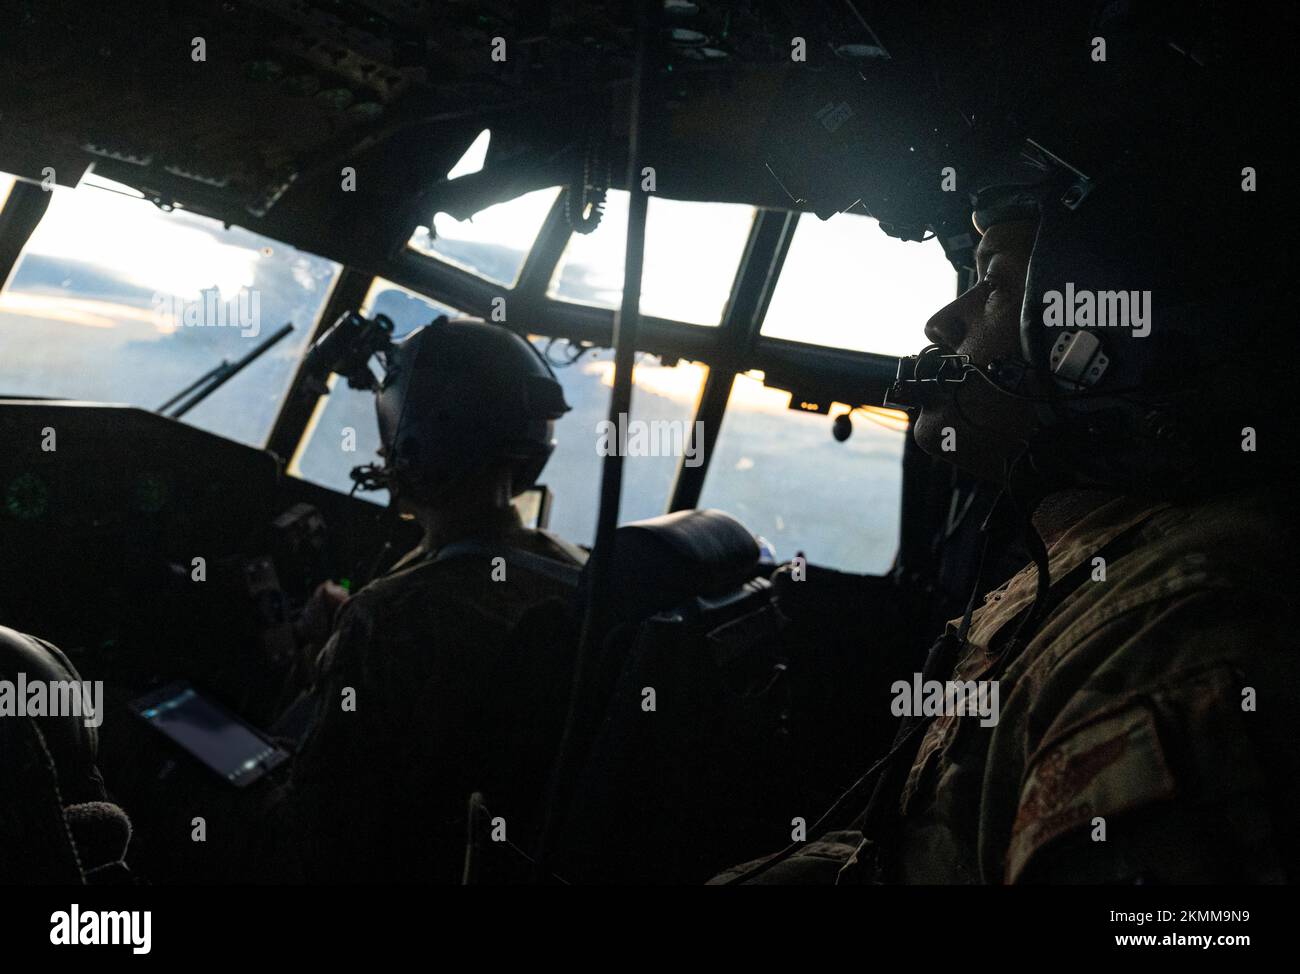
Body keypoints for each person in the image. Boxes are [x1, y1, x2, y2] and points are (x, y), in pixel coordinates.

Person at [715, 111, 1298, 884]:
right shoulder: (1088, 561)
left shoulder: (1177, 627)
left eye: (991, 284)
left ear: (1093, 353)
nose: (939, 321)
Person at [245, 316, 586, 882]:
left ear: (413, 447)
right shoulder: (568, 569)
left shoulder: (393, 616)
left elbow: (315, 833)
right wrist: (347, 631)